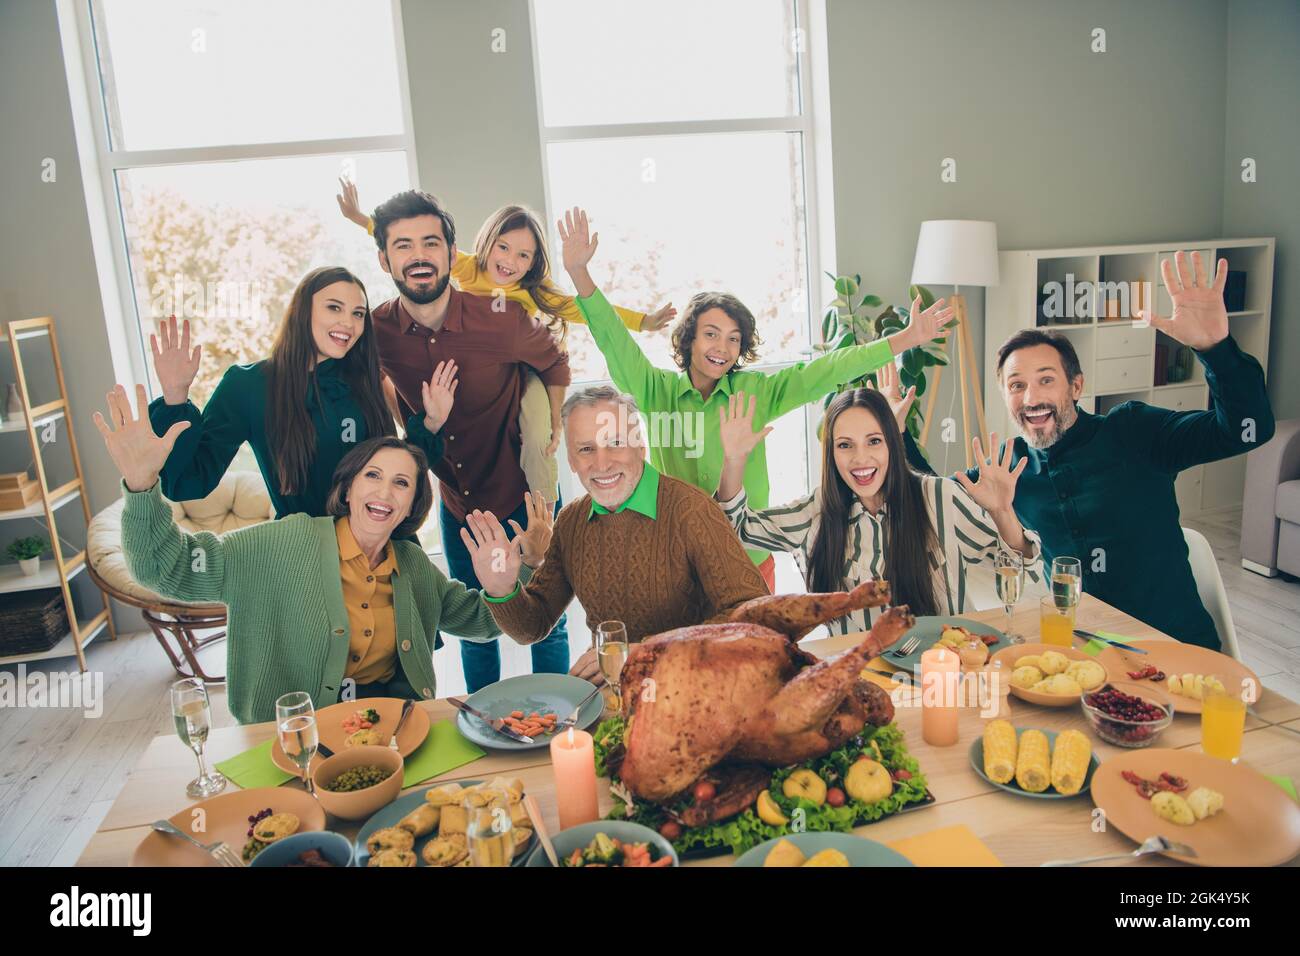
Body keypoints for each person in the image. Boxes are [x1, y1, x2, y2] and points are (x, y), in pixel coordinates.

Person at [556, 205, 954, 592]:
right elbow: (614, 339)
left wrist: (905, 340)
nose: (722, 347)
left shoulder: (756, 393)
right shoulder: (654, 390)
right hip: (682, 558)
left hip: (749, 557)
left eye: (734, 339)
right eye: (711, 333)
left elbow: (828, 370)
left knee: (756, 650)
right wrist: (579, 273)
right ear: (689, 338)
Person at [98, 386, 550, 724]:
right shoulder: (280, 545)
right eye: (373, 475)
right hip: (290, 741)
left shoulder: (411, 567)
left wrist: (511, 579)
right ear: (349, 488)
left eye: (402, 483)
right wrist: (141, 487)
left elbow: (482, 620)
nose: (385, 491)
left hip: (396, 731)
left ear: (412, 505)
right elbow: (166, 568)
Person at [899, 251, 1274, 650]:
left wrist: (1216, 348)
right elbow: (935, 494)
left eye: (1046, 380)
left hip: (1174, 648)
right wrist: (897, 429)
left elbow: (1245, 432)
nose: (1031, 397)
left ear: (1076, 387)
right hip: (1080, 653)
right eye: (1016, 385)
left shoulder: (1133, 430)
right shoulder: (1008, 467)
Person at [337, 179, 673, 495]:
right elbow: (411, 243)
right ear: (488, 244)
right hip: (476, 369)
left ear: (532, 264)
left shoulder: (536, 294)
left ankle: (542, 501)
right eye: (504, 248)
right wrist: (358, 218)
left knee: (537, 433)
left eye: (523, 256)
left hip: (526, 372)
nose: (509, 261)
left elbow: (585, 309)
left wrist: (644, 321)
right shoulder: (467, 268)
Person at [366, 189, 572, 691]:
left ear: (451, 253)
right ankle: (485, 721)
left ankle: (563, 726)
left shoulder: (501, 318)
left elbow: (554, 361)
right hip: (457, 506)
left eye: (431, 243)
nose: (418, 255)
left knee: (545, 621)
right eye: (404, 245)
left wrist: (557, 421)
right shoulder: (375, 333)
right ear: (384, 258)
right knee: (472, 630)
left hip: (524, 499)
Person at [460, 385, 769, 684]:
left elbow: (759, 621)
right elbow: (534, 626)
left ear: (641, 446)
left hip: (691, 695)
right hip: (611, 699)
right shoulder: (571, 522)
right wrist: (503, 590)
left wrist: (642, 654)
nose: (602, 463)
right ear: (570, 460)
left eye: (616, 443)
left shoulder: (692, 512)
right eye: (586, 449)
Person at [716, 381, 1040, 634]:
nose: (861, 459)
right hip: (858, 680)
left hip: (939, 672)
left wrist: (1001, 512)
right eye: (845, 445)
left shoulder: (939, 497)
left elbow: (1015, 569)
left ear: (892, 443)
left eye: (874, 441)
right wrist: (733, 460)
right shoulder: (814, 512)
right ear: (831, 453)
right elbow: (735, 532)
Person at [148, 266, 453, 519]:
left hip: (385, 552)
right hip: (309, 559)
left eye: (359, 313)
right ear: (302, 311)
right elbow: (188, 483)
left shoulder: (365, 378)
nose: (348, 322)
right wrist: (175, 397)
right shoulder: (248, 386)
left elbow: (400, 473)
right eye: (334, 307)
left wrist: (431, 424)